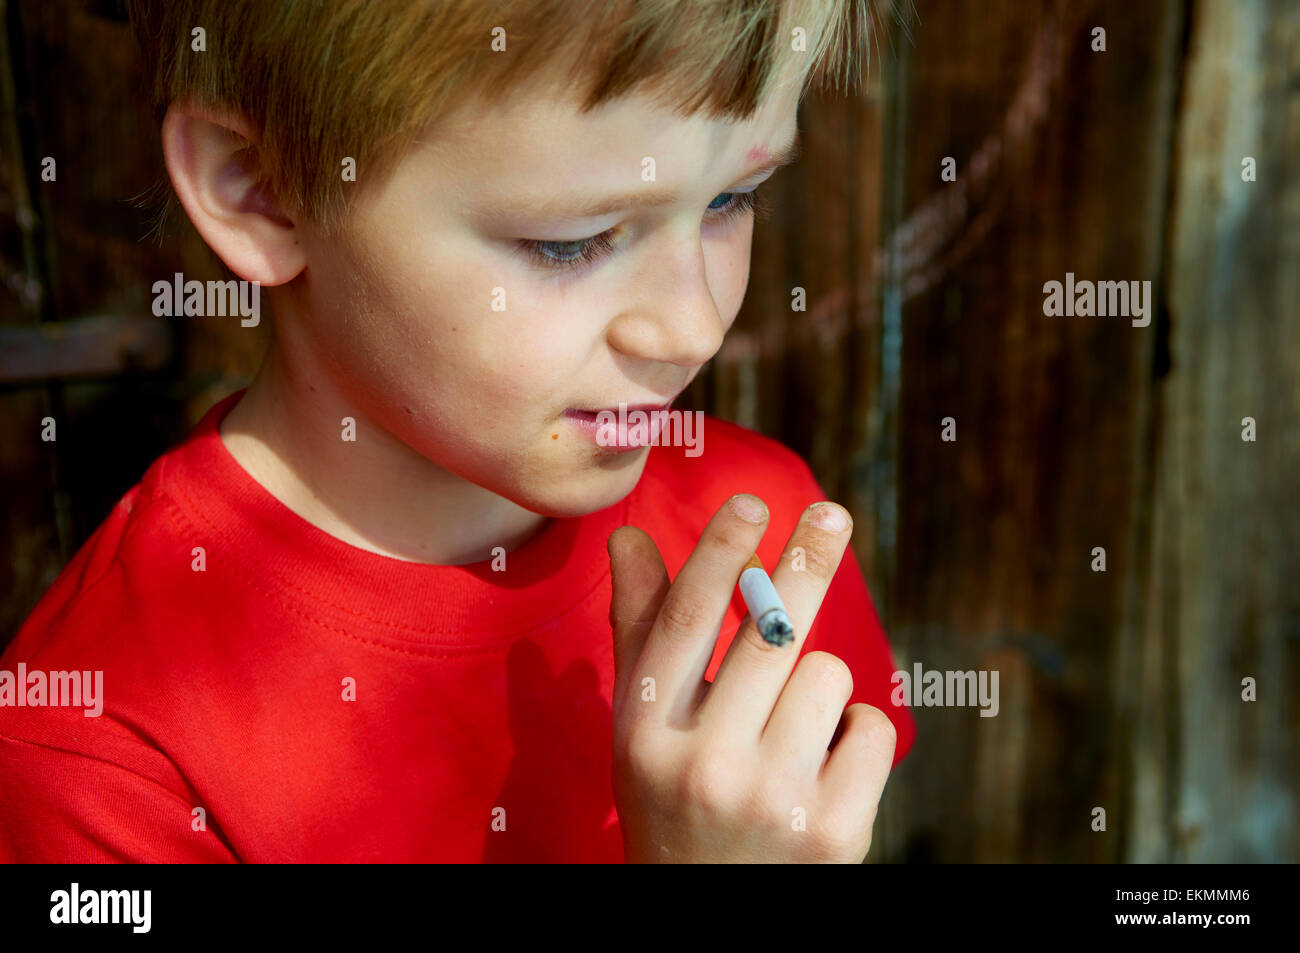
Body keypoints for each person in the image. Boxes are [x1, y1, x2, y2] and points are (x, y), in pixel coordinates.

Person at [0, 0, 914, 862]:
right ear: (262, 190)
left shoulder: (767, 534)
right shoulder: (105, 760)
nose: (696, 328)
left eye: (731, 200)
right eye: (573, 239)